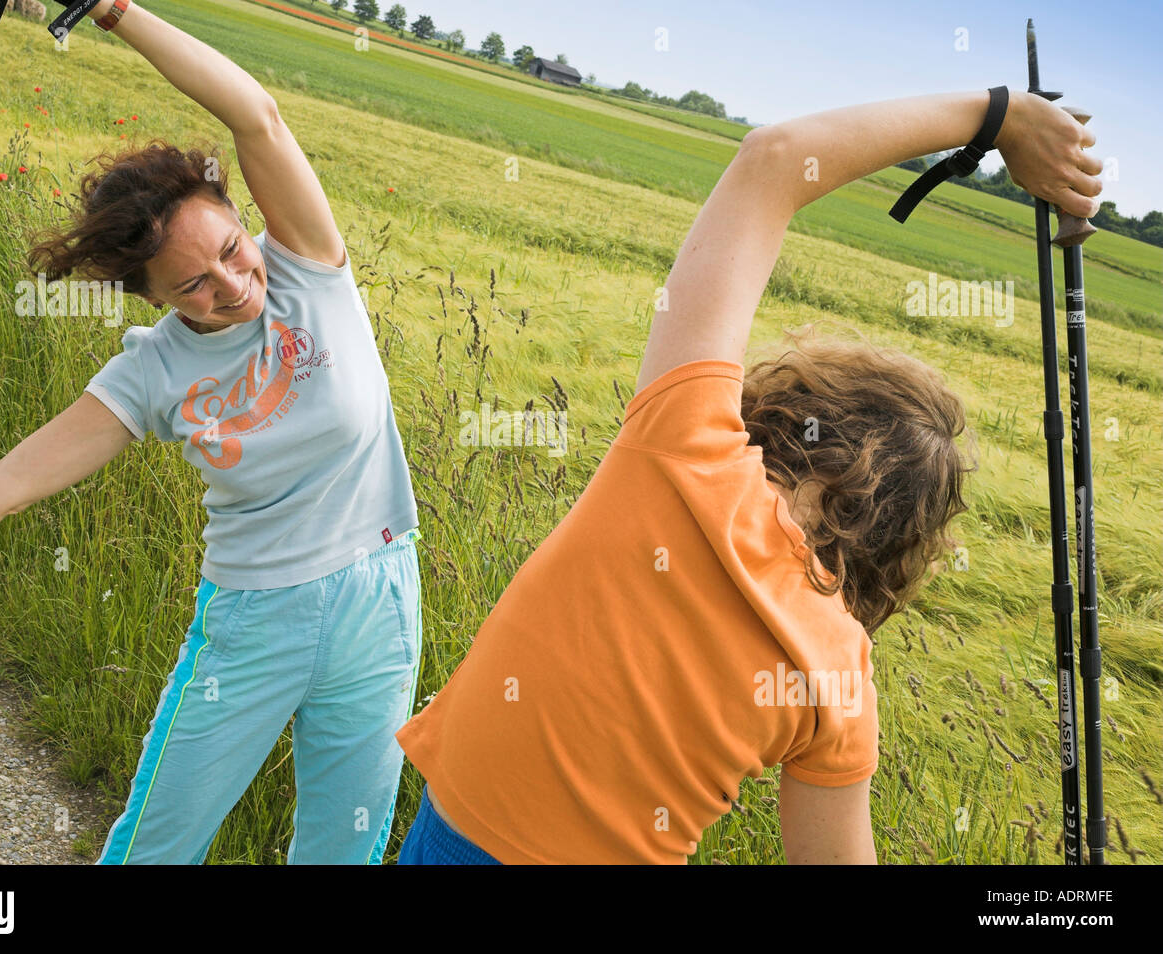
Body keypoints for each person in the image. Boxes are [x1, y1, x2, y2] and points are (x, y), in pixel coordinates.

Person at [394, 87, 1102, 864]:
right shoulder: (840, 677)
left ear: (797, 404)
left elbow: (772, 161)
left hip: (453, 830)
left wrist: (995, 115)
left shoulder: (687, 445)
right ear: (904, 542)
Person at [0, 0, 422, 864]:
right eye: (193, 285)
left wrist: (118, 9)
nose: (233, 287)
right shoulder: (151, 373)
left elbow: (255, 114)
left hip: (380, 606)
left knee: (343, 853)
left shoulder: (308, 270)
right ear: (154, 298)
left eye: (233, 250)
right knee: (155, 850)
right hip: (251, 623)